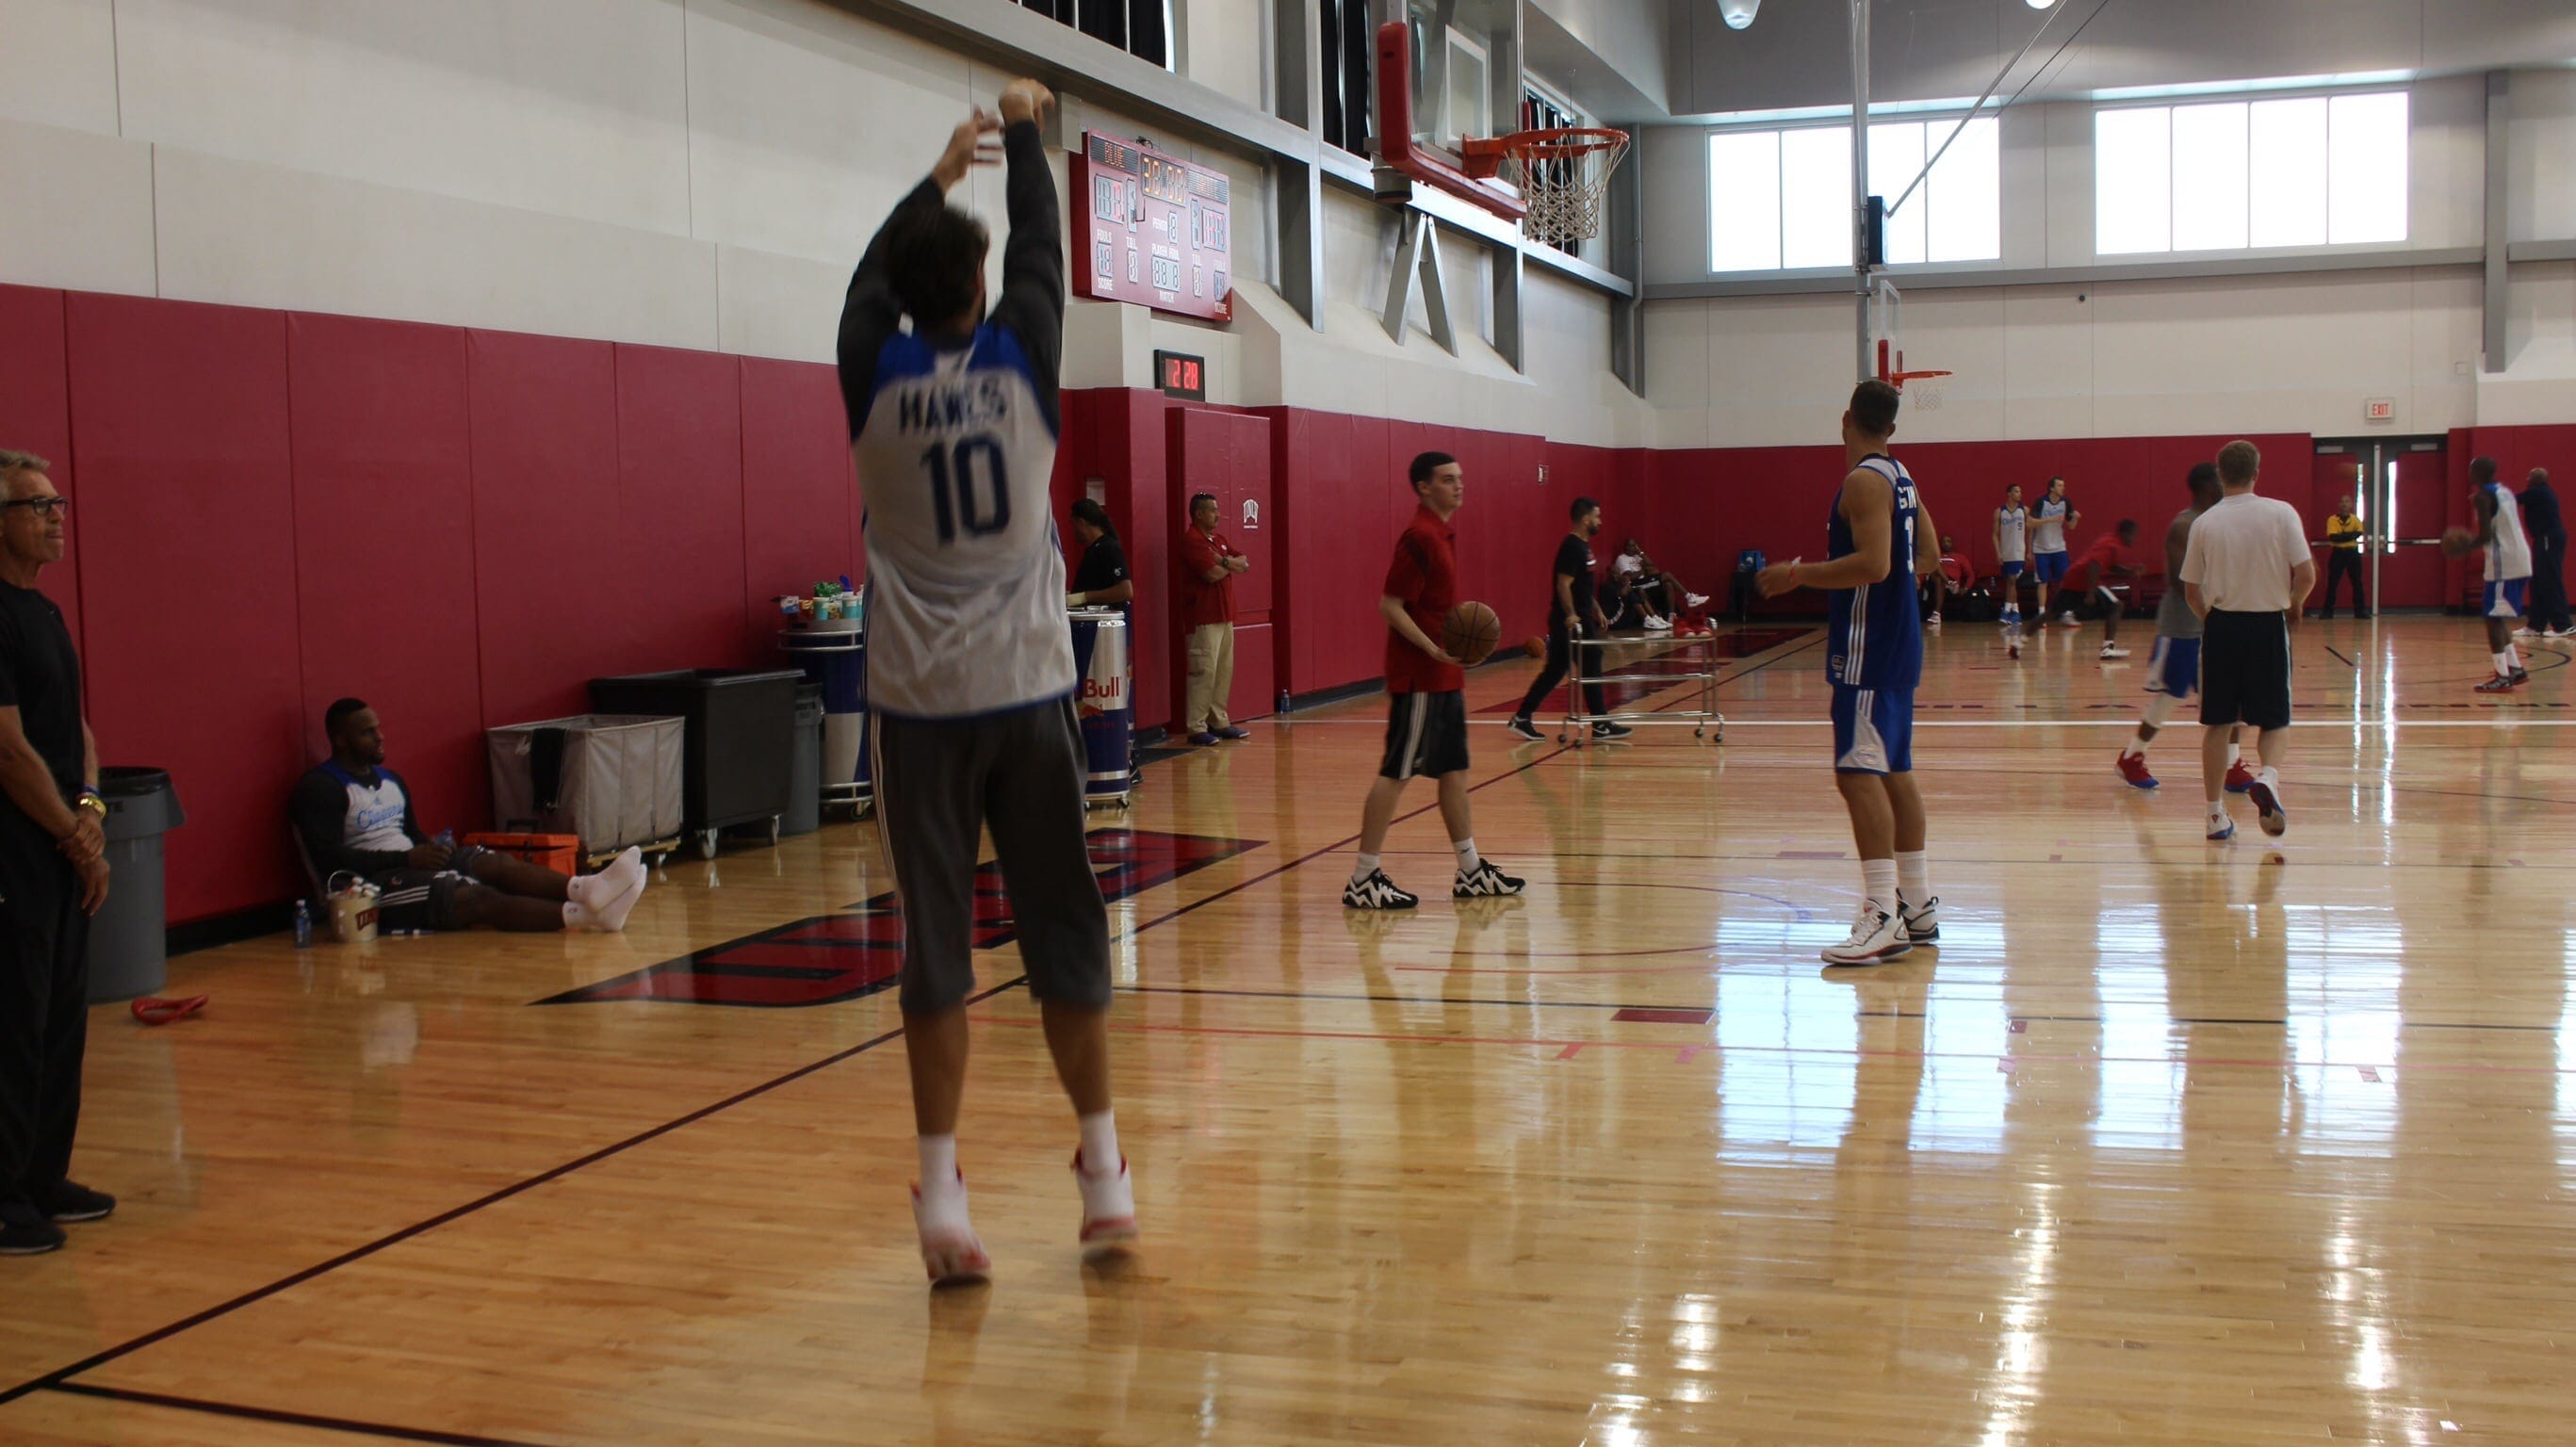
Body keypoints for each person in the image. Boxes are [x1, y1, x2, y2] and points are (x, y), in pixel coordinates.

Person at [838, 80, 1133, 1284]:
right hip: (1023, 692)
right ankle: (1103, 1173)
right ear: (976, 292)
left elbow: (863, 286)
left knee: (937, 950)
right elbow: (1044, 248)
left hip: (915, 704)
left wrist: (939, 171)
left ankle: (944, 1197)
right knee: (1062, 931)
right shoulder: (1022, 357)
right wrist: (1020, 127)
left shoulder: (868, 375)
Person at [1755, 381, 1941, 966]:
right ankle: (1917, 903)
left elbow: (1877, 563)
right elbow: (1929, 556)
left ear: (1845, 420)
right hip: (1899, 644)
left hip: (1867, 650)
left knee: (1857, 774)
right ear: (1891, 426)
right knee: (1894, 772)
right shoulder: (1900, 475)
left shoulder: (1862, 481)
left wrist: (1798, 574)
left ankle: (1881, 913)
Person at [0, 450, 112, 1257]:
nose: (55, 516)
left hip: (62, 847)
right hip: (15, 853)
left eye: (57, 502)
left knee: (61, 1020)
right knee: (14, 1024)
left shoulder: (46, 612)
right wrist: (73, 837)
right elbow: (7, 751)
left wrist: (93, 811)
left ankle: (43, 1178)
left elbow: (74, 731)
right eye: (37, 505)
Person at [289, 699, 646, 934]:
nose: (380, 737)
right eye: (367, 733)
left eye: (378, 728)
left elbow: (410, 833)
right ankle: (589, 918)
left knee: (494, 864)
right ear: (339, 740)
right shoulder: (321, 787)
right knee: (478, 897)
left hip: (406, 862)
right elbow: (329, 860)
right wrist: (407, 858)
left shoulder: (391, 781)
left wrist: (432, 850)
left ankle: (587, 888)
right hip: (370, 887)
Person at [1344, 451, 1524, 910]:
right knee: (1396, 773)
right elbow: (1390, 605)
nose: (1459, 486)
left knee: (1454, 773)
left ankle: (1470, 871)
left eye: (1460, 478)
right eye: (1448, 480)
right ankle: (1364, 878)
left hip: (1446, 676)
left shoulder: (1442, 533)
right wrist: (1430, 648)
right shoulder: (1419, 537)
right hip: (1421, 677)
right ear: (1424, 487)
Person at [2179, 440, 2312, 840]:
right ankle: (2268, 777)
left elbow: (2191, 589)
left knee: (2218, 723)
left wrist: (2212, 620)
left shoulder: (2204, 523)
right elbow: (2305, 574)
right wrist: (2296, 604)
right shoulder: (2281, 513)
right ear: (2257, 473)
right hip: (2267, 625)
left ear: (2221, 475)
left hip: (2222, 626)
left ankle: (2214, 815)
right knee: (2274, 719)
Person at [2118, 464, 2224, 789]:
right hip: (2182, 626)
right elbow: (2180, 583)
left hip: (2212, 623)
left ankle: (2231, 764)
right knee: (2170, 698)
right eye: (2219, 483)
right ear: (2207, 487)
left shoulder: (2217, 522)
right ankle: (2132, 756)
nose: (2223, 487)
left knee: (2223, 699)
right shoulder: (2184, 525)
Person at [1508, 499, 1629, 742]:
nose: (1600, 521)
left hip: (1581, 618)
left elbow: (1581, 587)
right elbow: (1563, 584)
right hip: (1571, 623)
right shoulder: (1571, 546)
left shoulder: (1583, 548)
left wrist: (1597, 609)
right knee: (1592, 667)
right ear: (1586, 519)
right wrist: (1572, 615)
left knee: (1554, 672)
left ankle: (1522, 717)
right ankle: (1600, 724)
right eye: (1597, 516)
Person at [1177, 492, 1250, 744]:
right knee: (1203, 672)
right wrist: (1228, 566)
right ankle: (1196, 726)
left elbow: (1245, 563)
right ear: (1198, 514)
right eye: (1212, 510)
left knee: (1223, 671)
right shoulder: (1193, 542)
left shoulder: (1218, 540)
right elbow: (1211, 573)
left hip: (1225, 616)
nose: (1218, 515)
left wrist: (1225, 561)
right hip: (1203, 619)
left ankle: (1218, 721)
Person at [2470, 455, 2535, 692]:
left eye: (2471, 470)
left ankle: (2502, 675)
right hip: (2520, 558)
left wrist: (2461, 546)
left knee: (2492, 619)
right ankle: (2515, 669)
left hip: (2503, 564)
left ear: (2477, 473)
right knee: (2498, 616)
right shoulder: (2503, 490)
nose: (2469, 474)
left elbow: (2485, 537)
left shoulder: (2483, 497)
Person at [2069, 519, 2141, 660]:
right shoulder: (2110, 544)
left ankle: (2020, 641)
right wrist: (2090, 593)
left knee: (2055, 611)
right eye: (2133, 535)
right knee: (2117, 606)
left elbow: (2110, 566)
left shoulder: (2111, 541)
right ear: (2124, 534)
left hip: (2080, 578)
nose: (2134, 539)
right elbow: (2093, 565)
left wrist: (2130, 572)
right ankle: (2107, 648)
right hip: (2084, 579)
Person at [1608, 539, 1705, 630]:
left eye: (1635, 545)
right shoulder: (1622, 558)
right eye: (1631, 545)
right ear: (1626, 547)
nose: (1633, 547)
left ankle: (1671, 617)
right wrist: (1643, 570)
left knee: (1668, 584)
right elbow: (1630, 577)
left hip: (1645, 581)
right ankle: (1689, 597)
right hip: (1635, 583)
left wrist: (1640, 552)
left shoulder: (1637, 557)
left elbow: (1650, 564)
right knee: (1667, 575)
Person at [2519, 469, 2568, 638]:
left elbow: (2513, 500)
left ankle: (2563, 625)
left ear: (2536, 479)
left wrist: (2489, 496)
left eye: (2529, 476)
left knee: (2550, 580)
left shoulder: (2538, 492)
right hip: (2544, 539)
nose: (2527, 478)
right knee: (2539, 581)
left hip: (2549, 538)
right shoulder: (2541, 492)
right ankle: (2536, 625)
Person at [1066, 498, 1132, 615]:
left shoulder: (1108, 548)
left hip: (1101, 626)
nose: (1073, 532)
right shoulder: (1093, 550)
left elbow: (1125, 591)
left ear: (1081, 523)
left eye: (1073, 525)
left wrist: (1084, 597)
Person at [2030, 476, 2080, 626]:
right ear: (2051, 488)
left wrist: (2076, 518)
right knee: (2043, 582)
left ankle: (2065, 612)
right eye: (2059, 485)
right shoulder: (2041, 502)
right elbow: (2030, 522)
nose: (2062, 488)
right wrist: (2049, 520)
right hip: (2041, 548)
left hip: (2059, 547)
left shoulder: (2066, 502)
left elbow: (2071, 526)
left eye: (2063, 485)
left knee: (2065, 580)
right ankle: (2041, 614)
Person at [1992, 483, 2030, 657]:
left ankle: (2006, 610)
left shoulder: (2025, 511)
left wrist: (2029, 550)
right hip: (2006, 552)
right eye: (2016, 491)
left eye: (2020, 491)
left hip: (2019, 552)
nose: (2019, 494)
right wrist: (1998, 552)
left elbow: (2030, 532)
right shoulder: (2000, 511)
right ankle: (2016, 612)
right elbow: (1994, 534)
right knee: (2009, 582)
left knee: (2013, 580)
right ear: (2008, 493)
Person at [2319, 495, 2368, 619]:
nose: (2345, 504)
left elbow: (2359, 533)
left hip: (2352, 553)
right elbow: (2333, 537)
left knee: (2357, 582)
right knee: (2332, 582)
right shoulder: (2332, 520)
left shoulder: (2355, 519)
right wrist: (2349, 536)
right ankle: (2328, 611)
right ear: (2339, 505)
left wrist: (2343, 536)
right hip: (2338, 553)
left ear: (2351, 504)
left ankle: (2360, 611)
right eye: (2342, 501)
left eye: (2347, 502)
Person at [1922, 535, 1970, 626]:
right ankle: (1949, 583)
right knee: (1935, 562)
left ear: (1952, 544)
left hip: (1948, 582)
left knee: (1939, 580)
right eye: (1944, 542)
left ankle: (1936, 614)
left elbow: (1970, 574)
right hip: (1932, 583)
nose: (1946, 544)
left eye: (1948, 541)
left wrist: (1966, 588)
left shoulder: (1960, 557)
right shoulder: (1938, 556)